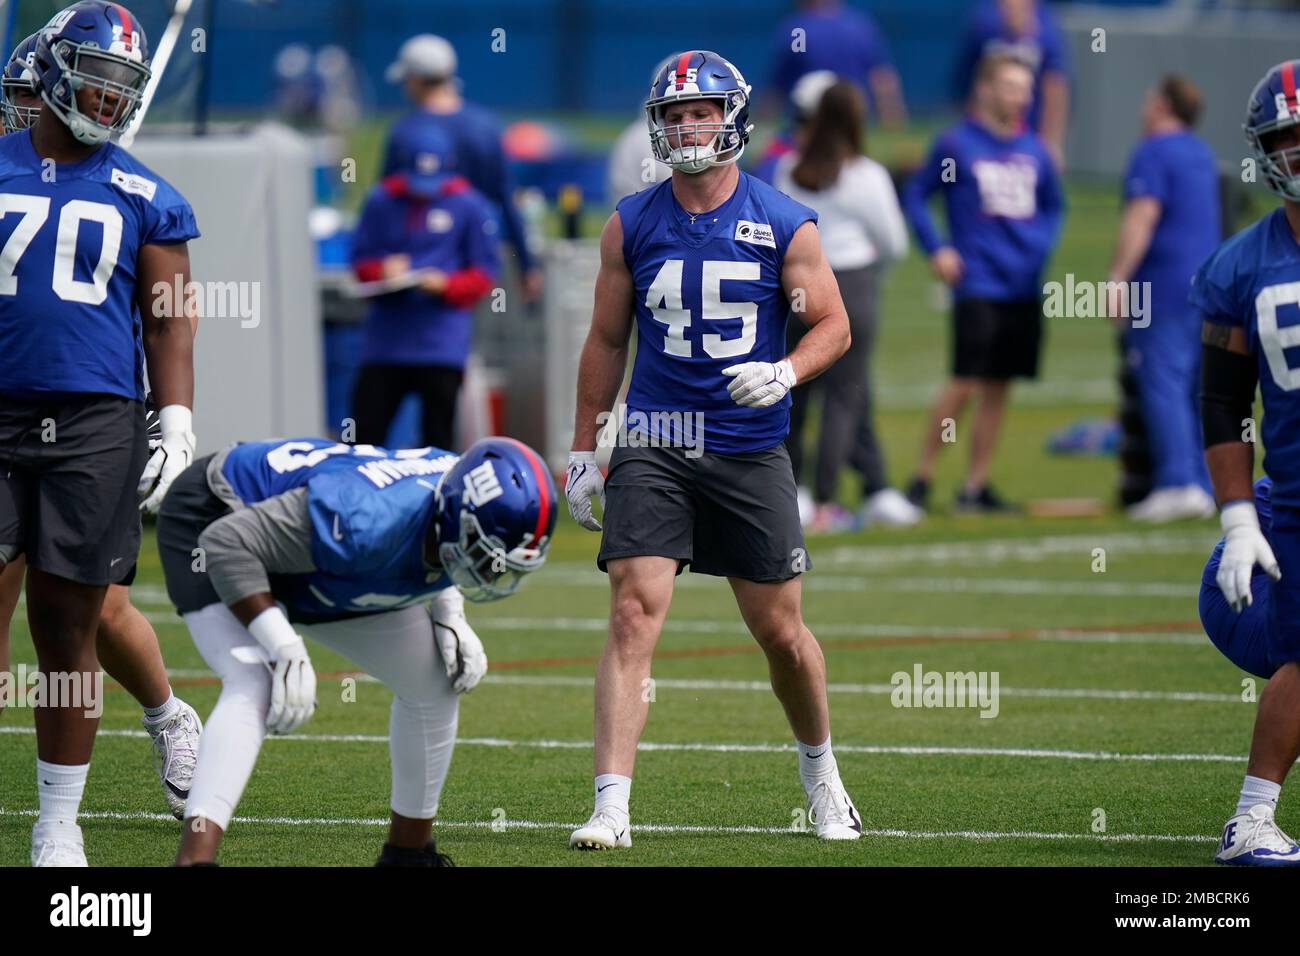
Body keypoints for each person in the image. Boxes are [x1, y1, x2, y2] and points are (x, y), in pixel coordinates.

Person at [564, 50, 860, 849]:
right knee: (632, 612)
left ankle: (822, 774)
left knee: (782, 636)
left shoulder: (782, 219)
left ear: (731, 117)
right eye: (673, 115)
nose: (687, 126)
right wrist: (586, 450)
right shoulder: (632, 221)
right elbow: (604, 341)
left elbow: (833, 323)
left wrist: (785, 370)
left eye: (700, 112)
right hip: (655, 438)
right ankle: (611, 804)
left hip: (746, 445)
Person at [0, 2, 200, 867]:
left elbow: (168, 319)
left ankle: (57, 823)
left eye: (124, 89)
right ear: (53, 70)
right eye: (97, 80)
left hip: (95, 420)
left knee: (66, 622)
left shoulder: (148, 195)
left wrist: (178, 416)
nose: (108, 101)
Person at [157, 436, 556, 866]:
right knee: (255, 680)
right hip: (218, 516)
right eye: (479, 553)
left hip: (321, 552)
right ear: (455, 516)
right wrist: (282, 643)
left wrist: (450, 610)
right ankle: (195, 860)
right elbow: (228, 544)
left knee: (432, 682)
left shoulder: (446, 499)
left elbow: (439, 539)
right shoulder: (365, 519)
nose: (486, 572)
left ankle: (407, 855)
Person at [1194, 60, 1300, 867]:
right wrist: (1238, 518)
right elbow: (1223, 404)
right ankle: (1251, 819)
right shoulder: (1239, 268)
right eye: (1286, 139)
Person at [902, 53, 1064, 514]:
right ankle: (922, 477)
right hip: (977, 284)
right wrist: (937, 248)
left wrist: (1038, 246)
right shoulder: (956, 143)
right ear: (985, 89)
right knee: (966, 383)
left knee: (999, 385)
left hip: (1022, 285)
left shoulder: (1035, 149)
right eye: (1011, 86)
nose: (1022, 97)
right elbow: (916, 196)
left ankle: (975, 486)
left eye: (1026, 88)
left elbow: (1054, 206)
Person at [774, 79, 917, 531]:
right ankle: (826, 501)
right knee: (844, 396)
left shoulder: (788, 168)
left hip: (794, 290)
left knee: (794, 389)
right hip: (852, 285)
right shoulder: (867, 175)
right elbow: (894, 242)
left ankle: (794, 492)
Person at [350, 123, 499, 450]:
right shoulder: (381, 200)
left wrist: (445, 285)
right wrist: (382, 269)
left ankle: (437, 501)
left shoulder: (469, 205)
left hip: (440, 343)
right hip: (385, 341)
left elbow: (483, 274)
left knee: (438, 439)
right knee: (365, 438)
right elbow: (359, 261)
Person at [1111, 75, 1220, 523]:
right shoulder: (1201, 152)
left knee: (1163, 381)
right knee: (1199, 387)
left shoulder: (1153, 151)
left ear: (1160, 105)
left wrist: (1117, 277)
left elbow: (1144, 215)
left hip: (1163, 286)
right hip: (1210, 285)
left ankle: (1178, 482)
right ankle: (1204, 481)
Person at [383, 34, 541, 304]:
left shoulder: (405, 132)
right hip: (477, 263)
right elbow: (507, 199)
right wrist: (527, 265)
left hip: (419, 267)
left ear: (417, 80)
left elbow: (387, 204)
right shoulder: (486, 126)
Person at [954, 0, 1070, 169]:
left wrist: (1052, 141)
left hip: (1030, 127)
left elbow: (1056, 87)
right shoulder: (984, 23)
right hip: (989, 126)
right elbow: (973, 80)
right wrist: (971, 132)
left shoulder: (1047, 30)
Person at [767, 0, 905, 128]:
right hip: (851, 118)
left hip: (810, 121)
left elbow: (776, 89)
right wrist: (892, 123)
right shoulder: (860, 26)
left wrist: (762, 126)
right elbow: (882, 79)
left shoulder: (797, 30)